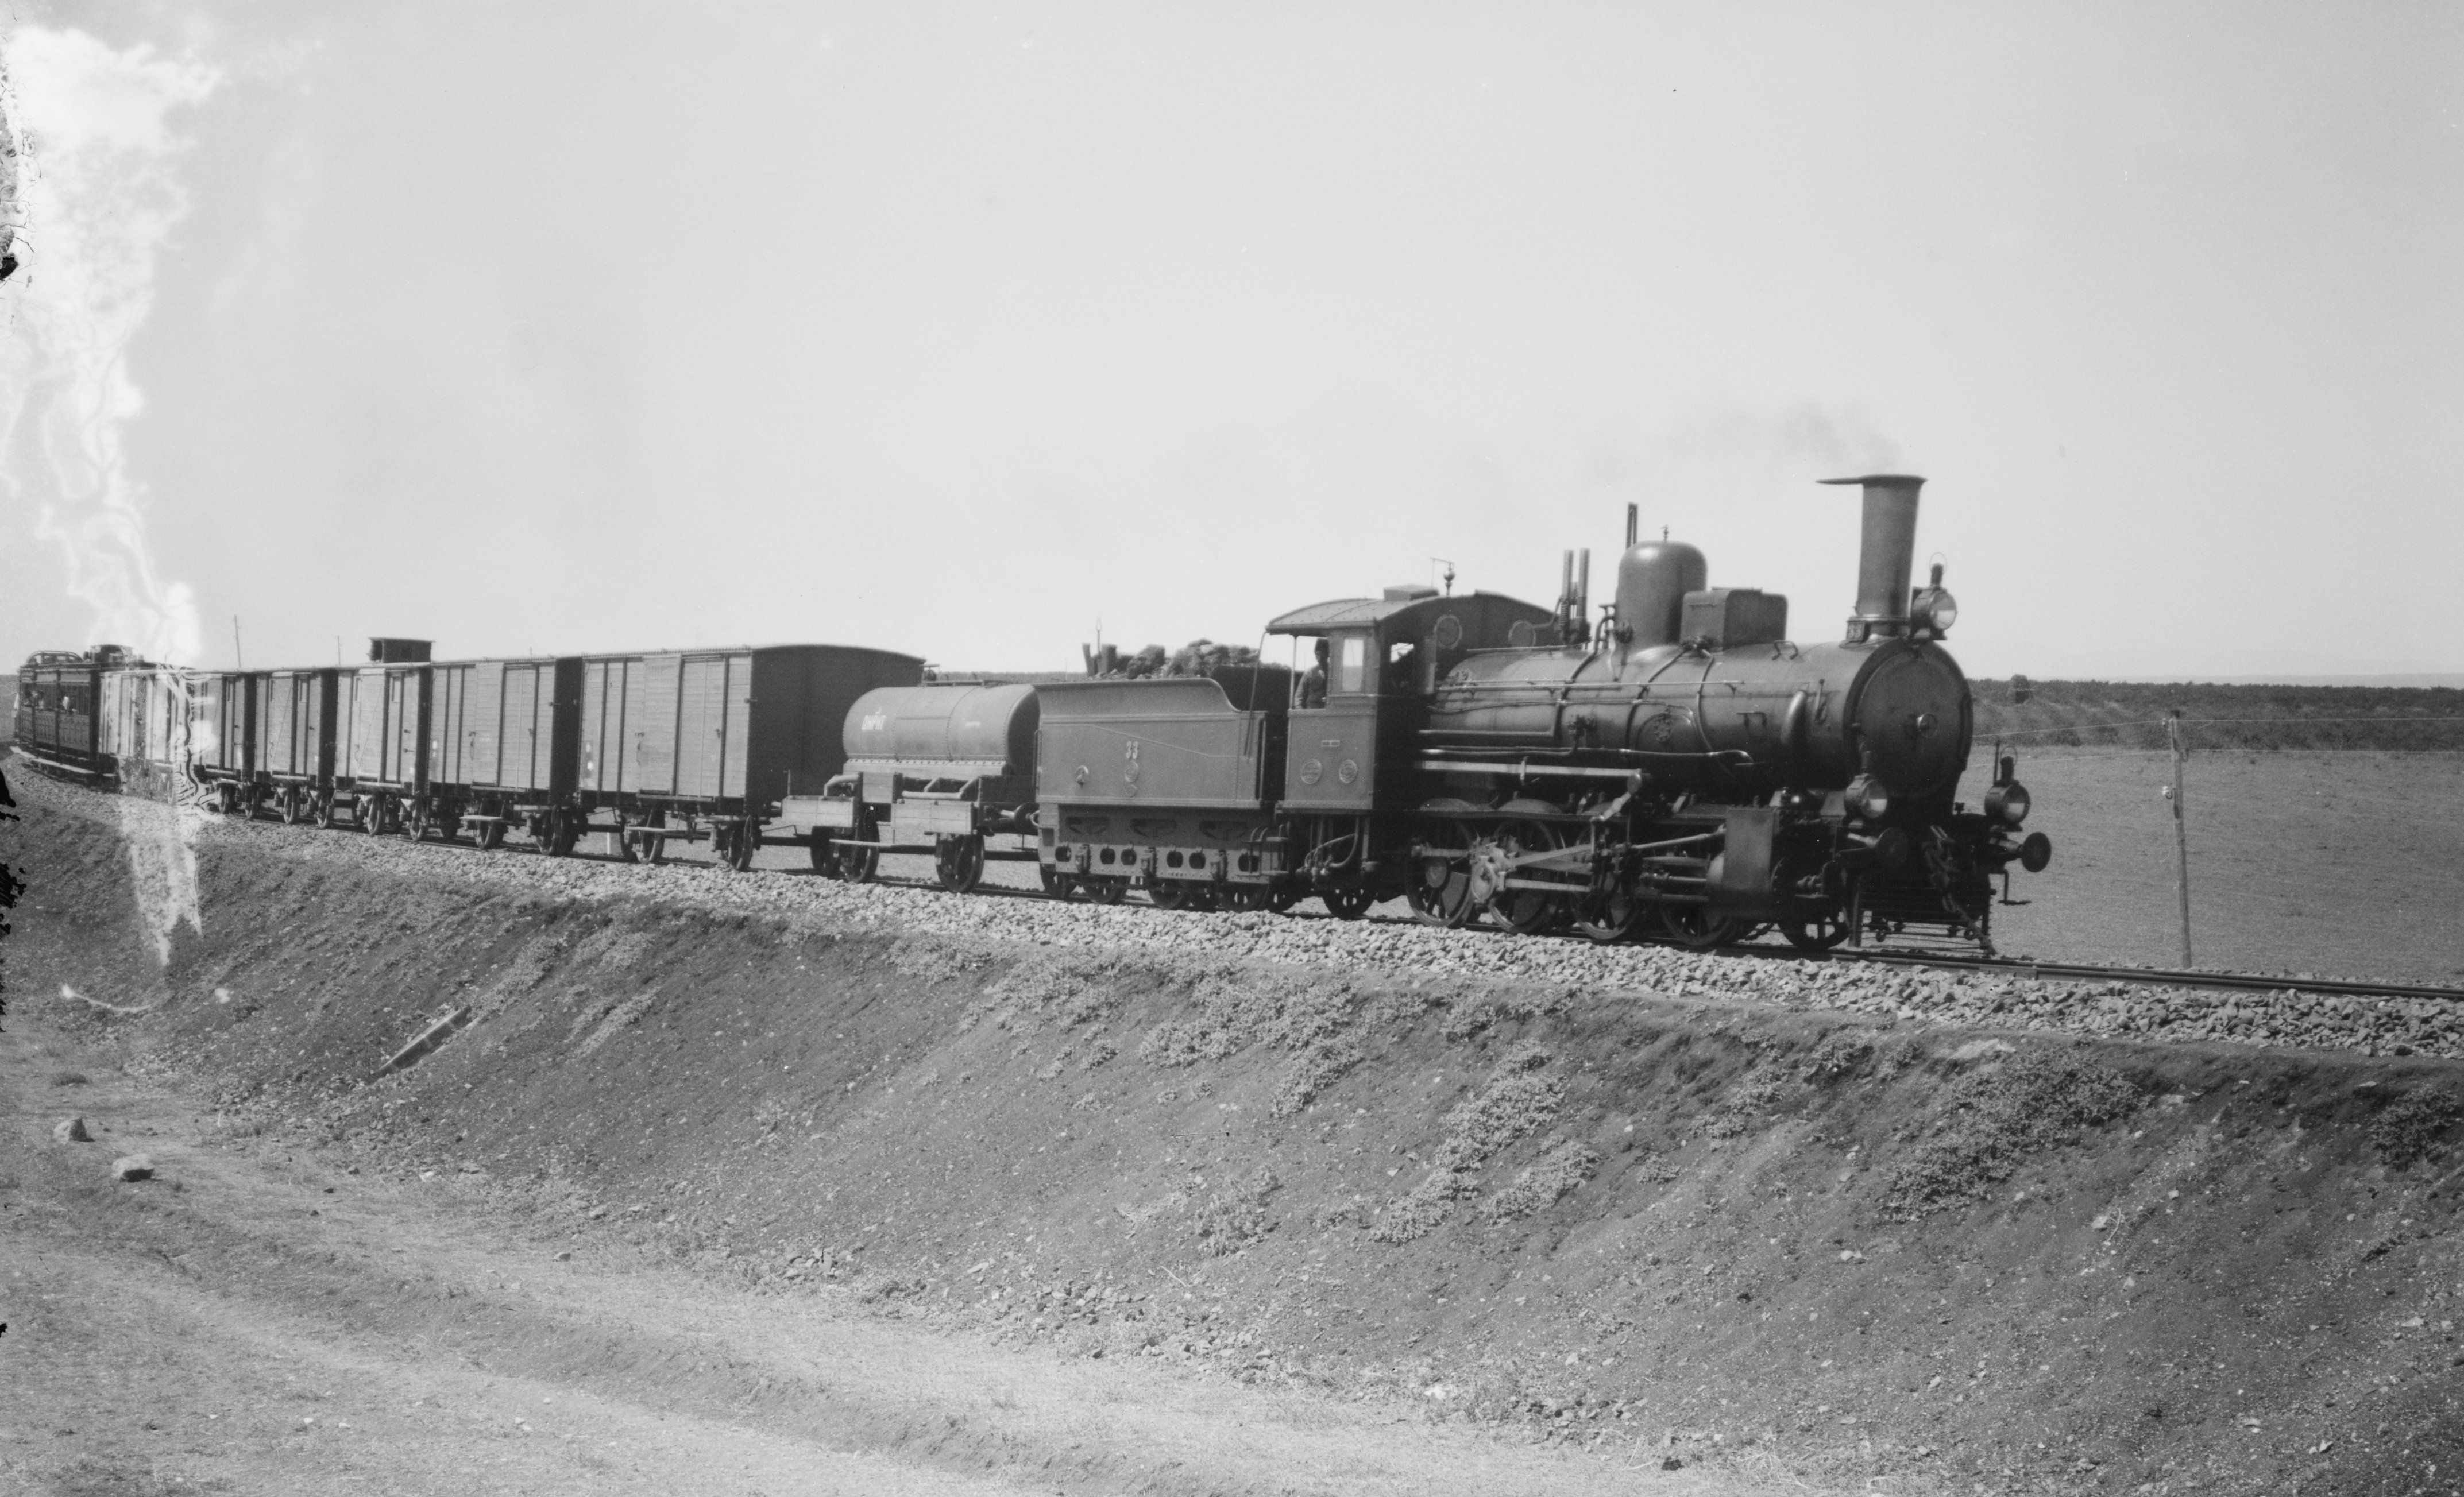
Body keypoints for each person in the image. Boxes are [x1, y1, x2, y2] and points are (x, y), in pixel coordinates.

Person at [1298, 639, 1329, 709]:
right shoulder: (1309, 672)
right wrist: (1299, 711)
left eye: (1321, 654)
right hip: (1311, 711)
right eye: (1317, 654)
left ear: (1327, 655)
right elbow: (1299, 695)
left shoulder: (1334, 672)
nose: (1319, 657)